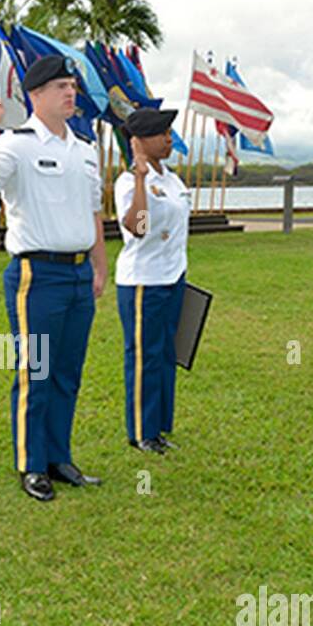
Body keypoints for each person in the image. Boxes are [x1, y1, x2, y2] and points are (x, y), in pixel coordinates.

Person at [0, 55, 105, 502]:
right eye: (60, 86)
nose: (69, 93)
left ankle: (58, 457)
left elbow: (94, 212)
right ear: (35, 95)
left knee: (68, 372)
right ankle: (31, 463)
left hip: (79, 274)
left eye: (72, 86)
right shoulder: (14, 145)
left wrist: (99, 266)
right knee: (37, 370)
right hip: (37, 274)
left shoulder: (85, 149)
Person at [114, 107, 189, 454]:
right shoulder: (129, 182)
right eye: (162, 135)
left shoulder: (173, 181)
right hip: (144, 281)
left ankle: (159, 427)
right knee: (145, 355)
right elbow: (138, 228)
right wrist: (142, 176)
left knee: (166, 354)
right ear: (139, 142)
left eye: (170, 134)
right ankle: (142, 432)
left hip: (173, 276)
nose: (169, 140)